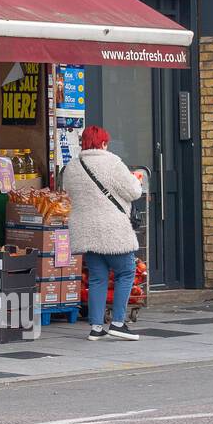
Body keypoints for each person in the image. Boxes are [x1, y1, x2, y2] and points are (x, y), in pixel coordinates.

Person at [61, 125, 143, 341]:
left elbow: (68, 193)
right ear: (104, 143)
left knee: (98, 277)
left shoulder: (72, 166)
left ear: (84, 143)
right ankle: (117, 323)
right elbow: (134, 192)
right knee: (126, 272)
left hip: (85, 230)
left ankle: (96, 327)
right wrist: (136, 179)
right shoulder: (112, 162)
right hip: (111, 229)